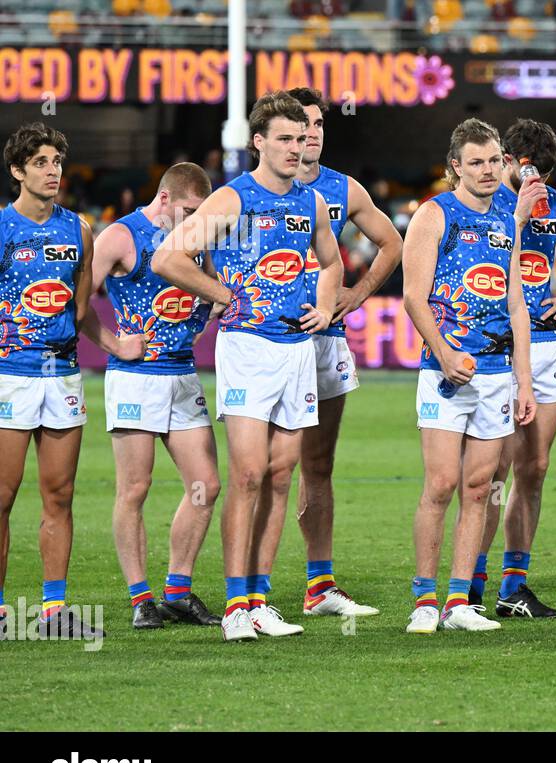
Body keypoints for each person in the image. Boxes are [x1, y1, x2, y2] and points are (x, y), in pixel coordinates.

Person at [154, 91, 344, 641]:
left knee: (283, 475)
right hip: (248, 349)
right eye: (283, 138)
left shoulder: (309, 202)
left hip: (296, 351)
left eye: (301, 136)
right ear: (258, 142)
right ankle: (236, 606)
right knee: (248, 473)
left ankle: (259, 600)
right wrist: (222, 292)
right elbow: (169, 256)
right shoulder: (235, 200)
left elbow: (331, 262)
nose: (296, 145)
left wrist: (327, 305)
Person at [401, 118, 540, 634]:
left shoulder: (510, 216)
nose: (487, 170)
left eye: (494, 160)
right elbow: (415, 297)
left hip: (498, 374)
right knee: (440, 484)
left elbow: (516, 300)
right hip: (446, 373)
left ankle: (459, 602)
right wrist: (442, 354)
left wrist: (525, 380)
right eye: (475, 162)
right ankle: (423, 600)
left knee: (480, 487)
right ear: (455, 166)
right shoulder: (433, 216)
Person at [472, 118, 556, 619]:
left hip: (546, 345)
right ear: (506, 159)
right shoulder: (485, 202)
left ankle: (514, 584)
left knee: (535, 468)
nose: (538, 181)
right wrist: (519, 217)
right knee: (493, 471)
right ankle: (473, 581)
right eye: (530, 169)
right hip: (495, 346)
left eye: (546, 173)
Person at [92, 162, 224, 630]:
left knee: (205, 484)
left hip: (183, 376)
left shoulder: (196, 236)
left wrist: (206, 314)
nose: (194, 220)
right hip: (135, 377)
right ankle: (139, 597)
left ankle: (178, 592)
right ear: (165, 199)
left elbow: (212, 289)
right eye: (188, 210)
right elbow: (75, 300)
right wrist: (112, 344)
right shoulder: (120, 237)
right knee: (135, 488)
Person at [287, 87, 403, 619]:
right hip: (267, 339)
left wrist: (357, 293)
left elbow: (392, 243)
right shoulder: (248, 193)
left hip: (326, 340)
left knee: (319, 463)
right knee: (260, 469)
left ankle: (319, 585)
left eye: (318, 124)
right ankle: (247, 590)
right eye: (301, 124)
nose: (312, 133)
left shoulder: (342, 188)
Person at [0, 122, 105, 640]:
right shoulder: (2, 228)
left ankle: (52, 610)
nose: (53, 171)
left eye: (57, 161)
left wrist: (97, 334)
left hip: (62, 376)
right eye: (41, 162)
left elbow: (83, 293)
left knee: (59, 495)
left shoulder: (78, 228)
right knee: (2, 495)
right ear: (18, 171)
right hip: (10, 376)